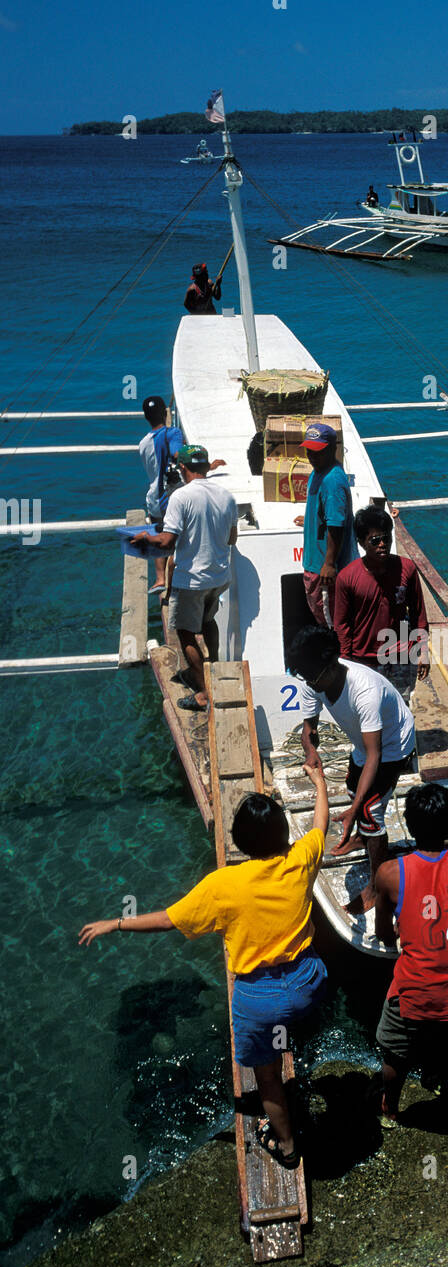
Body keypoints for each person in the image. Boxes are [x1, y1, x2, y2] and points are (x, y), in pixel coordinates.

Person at [79, 772, 329, 1168]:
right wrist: (318, 783)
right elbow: (320, 824)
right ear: (283, 835)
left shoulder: (222, 886)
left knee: (267, 1079)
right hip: (308, 982)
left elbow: (169, 920)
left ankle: (286, 1147)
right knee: (289, 1016)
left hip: (259, 1000)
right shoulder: (300, 860)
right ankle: (289, 1037)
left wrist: (117, 923)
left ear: (240, 842)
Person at [287, 624, 415, 914]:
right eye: (304, 676)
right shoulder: (313, 678)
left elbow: (375, 755)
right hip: (362, 744)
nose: (309, 683)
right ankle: (361, 837)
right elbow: (310, 728)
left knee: (370, 810)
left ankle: (376, 885)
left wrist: (355, 809)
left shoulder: (365, 691)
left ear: (333, 662)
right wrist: (311, 751)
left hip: (393, 745)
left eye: (313, 677)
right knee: (351, 787)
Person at [372, 783, 448, 1123]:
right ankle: (437, 1081)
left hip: (414, 993)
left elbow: (383, 933)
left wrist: (401, 933)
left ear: (409, 825)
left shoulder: (390, 873)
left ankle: (390, 1106)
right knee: (447, 1042)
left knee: (394, 1056)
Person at [132, 444, 237, 711]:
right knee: (209, 620)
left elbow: (167, 542)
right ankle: (210, 666)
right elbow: (232, 538)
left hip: (192, 580)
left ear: (183, 468)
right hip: (220, 576)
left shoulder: (181, 497)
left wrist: (146, 538)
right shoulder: (227, 496)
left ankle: (203, 692)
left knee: (186, 634)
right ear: (206, 466)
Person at [333, 505, 429, 694]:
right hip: (364, 661)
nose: (382, 544)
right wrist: (346, 662)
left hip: (401, 657)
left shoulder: (407, 569)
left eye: (386, 538)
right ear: (361, 542)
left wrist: (423, 651)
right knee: (370, 716)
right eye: (375, 540)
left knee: (402, 709)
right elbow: (342, 625)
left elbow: (418, 614)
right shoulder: (346, 578)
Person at [293, 422, 358, 627]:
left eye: (318, 451)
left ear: (332, 448)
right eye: (309, 451)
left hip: (324, 569)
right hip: (316, 563)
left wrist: (329, 564)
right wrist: (312, 518)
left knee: (330, 621)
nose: (312, 456)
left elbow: (336, 525)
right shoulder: (319, 470)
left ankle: (337, 655)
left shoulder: (332, 480)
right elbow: (328, 512)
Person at [138, 395, 183, 593]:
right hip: (170, 495)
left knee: (158, 534)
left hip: (154, 497)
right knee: (176, 539)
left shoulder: (143, 443)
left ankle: (159, 579)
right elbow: (177, 454)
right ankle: (174, 583)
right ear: (165, 413)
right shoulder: (172, 433)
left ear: (146, 417)